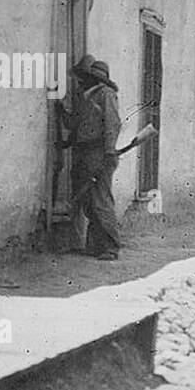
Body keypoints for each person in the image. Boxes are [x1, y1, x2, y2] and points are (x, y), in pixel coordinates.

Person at [69, 59, 122, 259]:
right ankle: (95, 246)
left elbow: (112, 124)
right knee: (89, 202)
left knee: (101, 201)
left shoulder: (106, 95)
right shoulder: (86, 97)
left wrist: (109, 152)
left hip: (99, 152)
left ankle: (110, 247)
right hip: (86, 152)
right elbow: (76, 125)